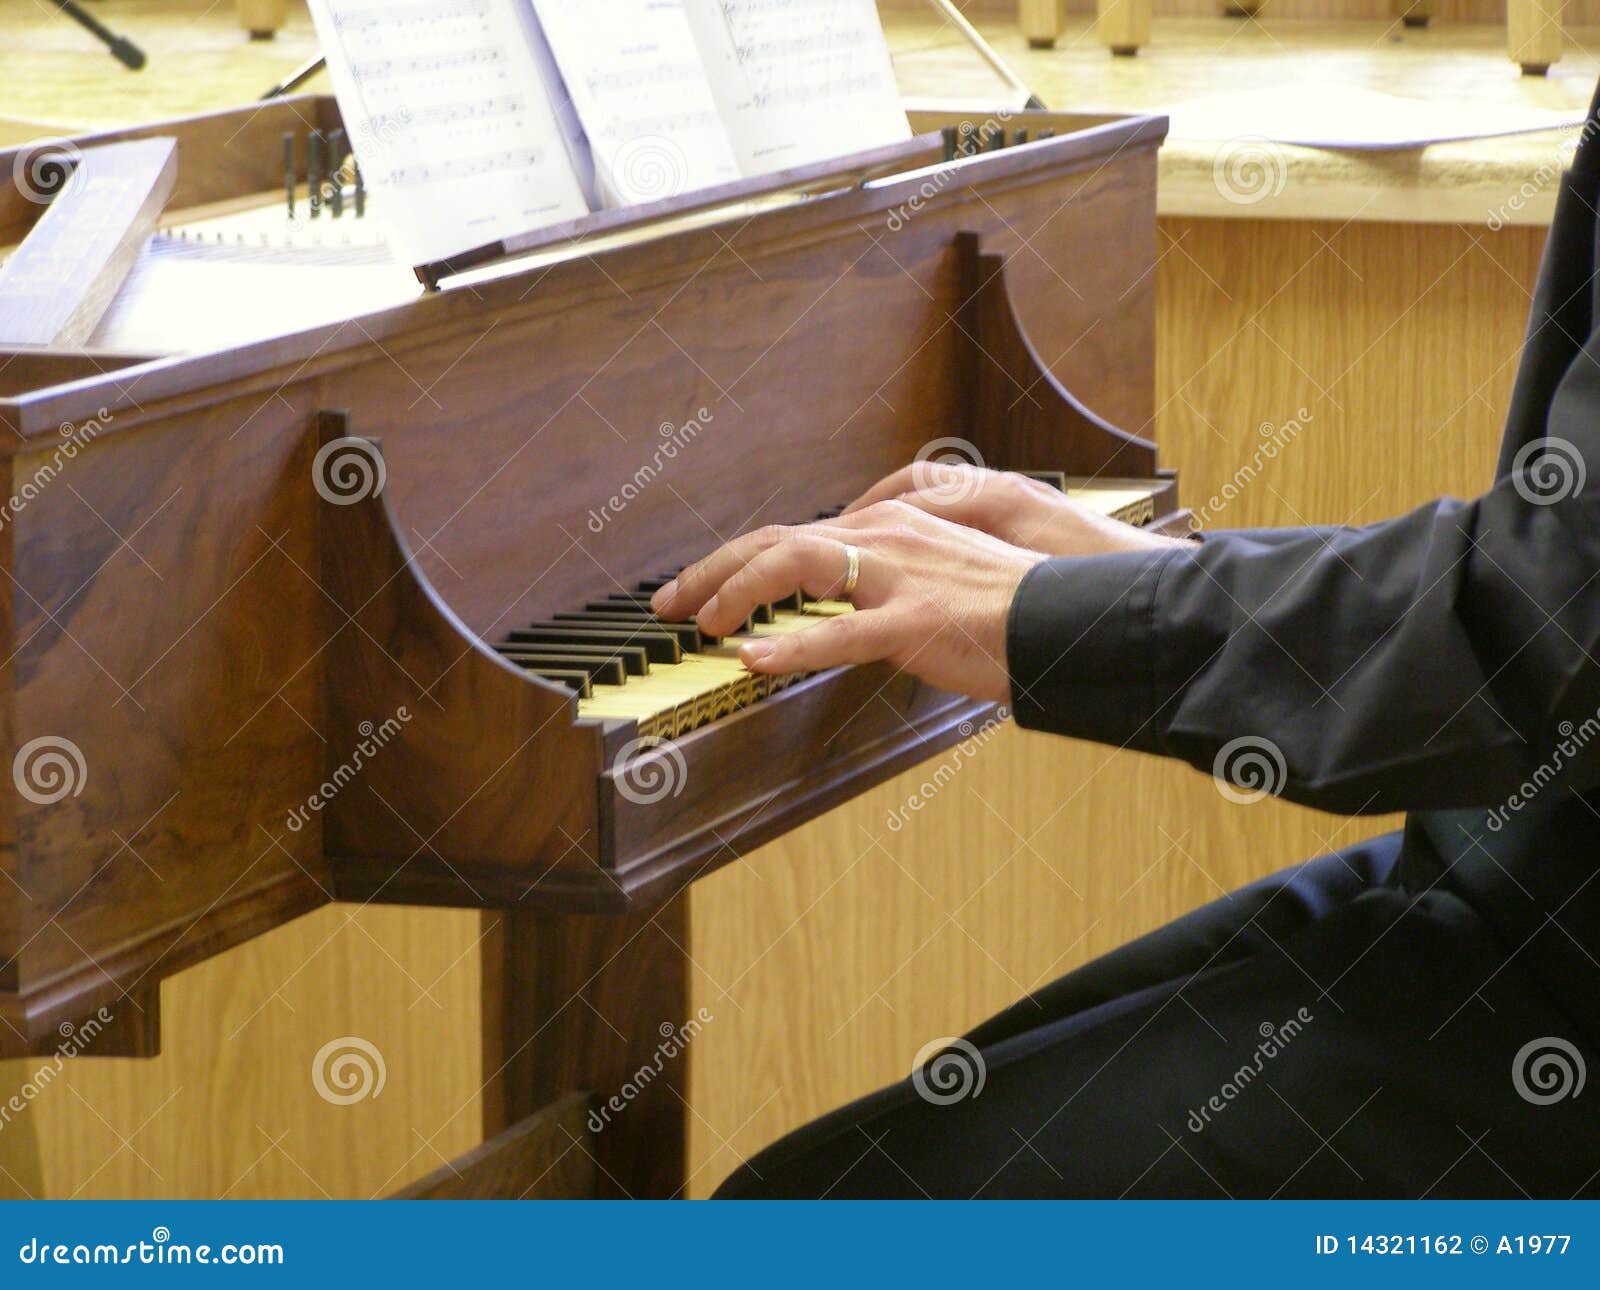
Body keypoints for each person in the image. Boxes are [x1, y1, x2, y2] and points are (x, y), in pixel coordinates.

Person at [648, 92, 1600, 1199]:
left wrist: (1055, 616)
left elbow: (1549, 626)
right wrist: (1140, 581)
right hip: (1519, 871)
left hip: (1556, 963)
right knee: (815, 1183)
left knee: (811, 1220)